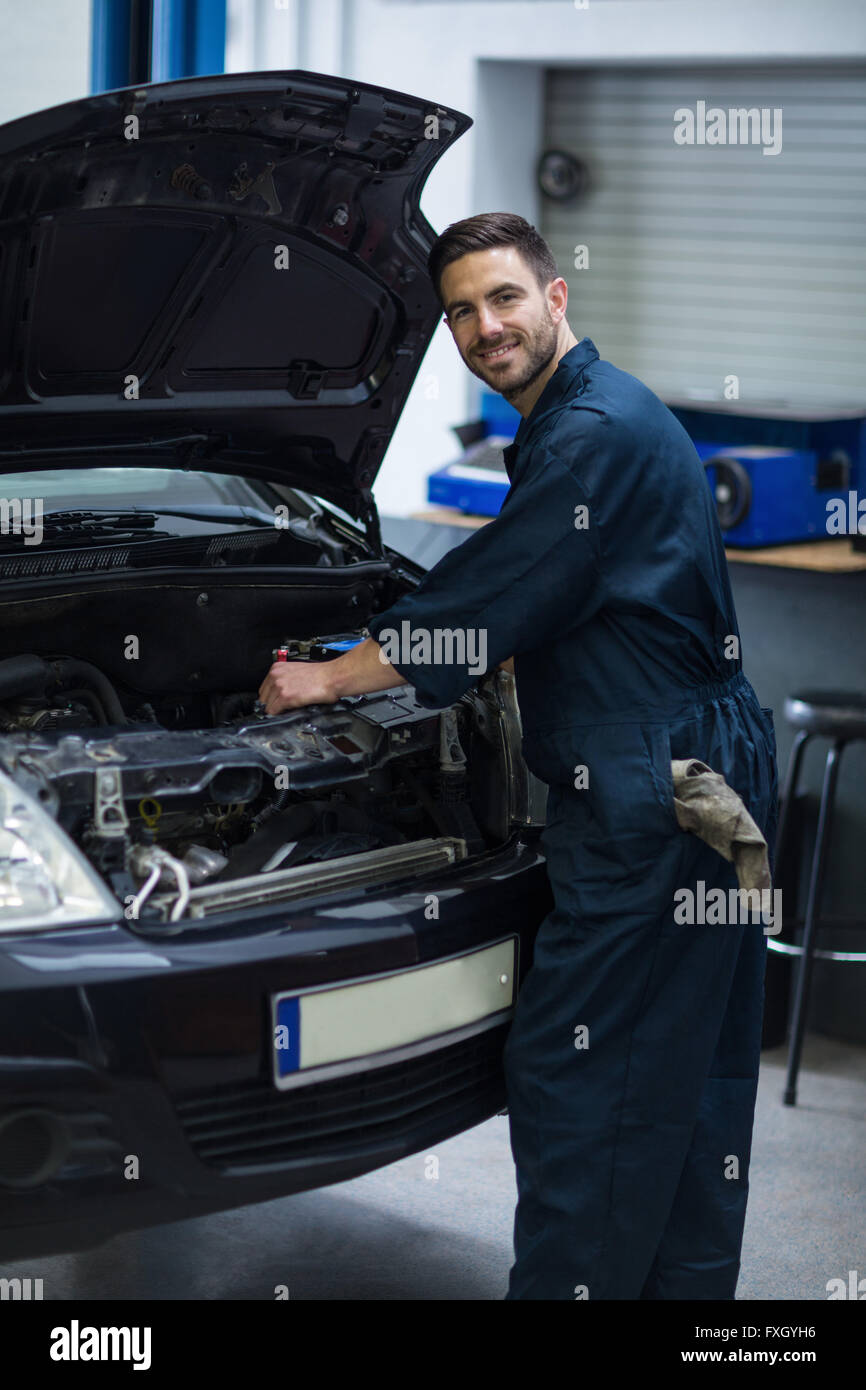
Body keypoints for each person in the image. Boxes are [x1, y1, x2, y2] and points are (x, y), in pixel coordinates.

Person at [258, 212, 778, 1300]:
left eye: (502, 298)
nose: (482, 327)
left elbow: (488, 602)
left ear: (554, 298)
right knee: (692, 1068)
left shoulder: (586, 438)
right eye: (459, 311)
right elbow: (571, 594)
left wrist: (321, 677)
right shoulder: (602, 411)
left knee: (585, 1078)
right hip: (711, 779)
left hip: (653, 790)